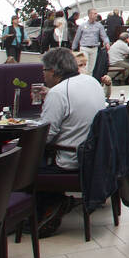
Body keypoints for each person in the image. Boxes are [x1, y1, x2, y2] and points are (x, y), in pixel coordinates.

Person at [34, 47, 108, 233]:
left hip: (71, 160)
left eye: (44, 70)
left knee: (23, 163)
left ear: (53, 71)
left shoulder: (58, 93)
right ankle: (56, 201)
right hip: (95, 156)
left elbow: (45, 135)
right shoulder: (91, 82)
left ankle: (47, 206)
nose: (43, 75)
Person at [71, 9, 110, 76]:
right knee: (85, 67)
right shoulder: (82, 26)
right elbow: (77, 38)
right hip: (84, 48)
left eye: (96, 13)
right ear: (89, 15)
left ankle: (89, 82)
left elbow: (104, 36)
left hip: (94, 48)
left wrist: (107, 43)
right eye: (94, 13)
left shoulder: (99, 26)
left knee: (91, 68)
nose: (96, 15)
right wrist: (73, 48)